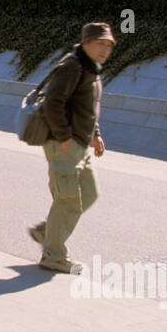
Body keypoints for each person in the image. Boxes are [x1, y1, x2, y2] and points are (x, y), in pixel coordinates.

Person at [28, 21, 115, 274]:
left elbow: (87, 107)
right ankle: (53, 256)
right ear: (86, 43)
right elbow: (52, 104)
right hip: (63, 144)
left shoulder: (91, 69)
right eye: (100, 43)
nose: (105, 49)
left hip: (81, 144)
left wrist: (95, 134)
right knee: (68, 199)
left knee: (89, 194)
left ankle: (47, 232)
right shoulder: (71, 67)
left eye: (109, 45)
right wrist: (64, 137)